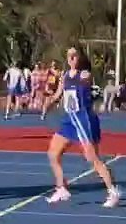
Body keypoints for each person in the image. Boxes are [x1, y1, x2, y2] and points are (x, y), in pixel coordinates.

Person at [45, 47, 121, 208]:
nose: (71, 58)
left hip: (82, 120)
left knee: (92, 158)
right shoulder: (65, 76)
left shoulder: (84, 74)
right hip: (68, 120)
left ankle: (113, 191)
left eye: (74, 55)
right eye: (68, 55)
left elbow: (85, 80)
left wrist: (75, 77)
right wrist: (48, 104)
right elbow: (59, 94)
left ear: (79, 57)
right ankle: (61, 188)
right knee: (53, 153)